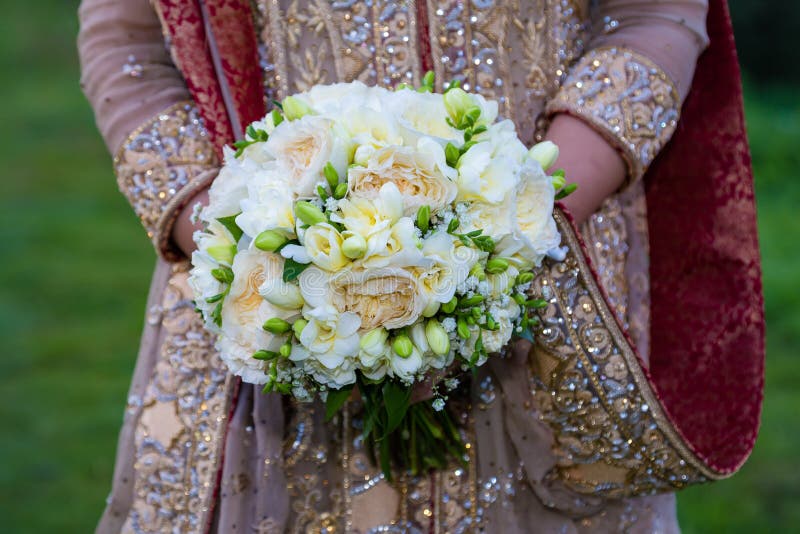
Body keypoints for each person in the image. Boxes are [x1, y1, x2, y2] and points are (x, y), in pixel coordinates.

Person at [79, 1, 764, 532]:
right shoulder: (262, 260)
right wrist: (246, 244)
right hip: (277, 305)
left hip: (549, 286)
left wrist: (516, 230)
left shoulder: (536, 239)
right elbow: (128, 46)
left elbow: (653, 15)